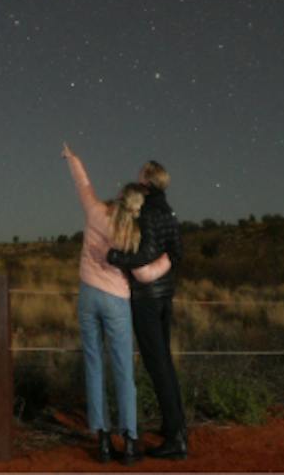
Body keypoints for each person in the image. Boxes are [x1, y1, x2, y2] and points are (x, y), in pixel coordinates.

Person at [63, 142, 168, 464]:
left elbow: (83, 185)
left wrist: (74, 159)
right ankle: (131, 441)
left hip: (88, 297)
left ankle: (104, 442)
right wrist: (166, 261)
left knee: (94, 366)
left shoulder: (95, 212)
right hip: (116, 302)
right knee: (123, 370)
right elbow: (145, 274)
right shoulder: (130, 234)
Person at [107, 161, 187, 459]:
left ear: (148, 180)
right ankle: (174, 425)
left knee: (157, 364)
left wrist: (116, 257)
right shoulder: (167, 210)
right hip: (165, 295)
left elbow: (145, 253)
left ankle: (177, 440)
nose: (136, 174)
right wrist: (162, 272)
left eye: (141, 172)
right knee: (164, 360)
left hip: (147, 299)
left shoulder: (149, 212)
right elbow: (176, 250)